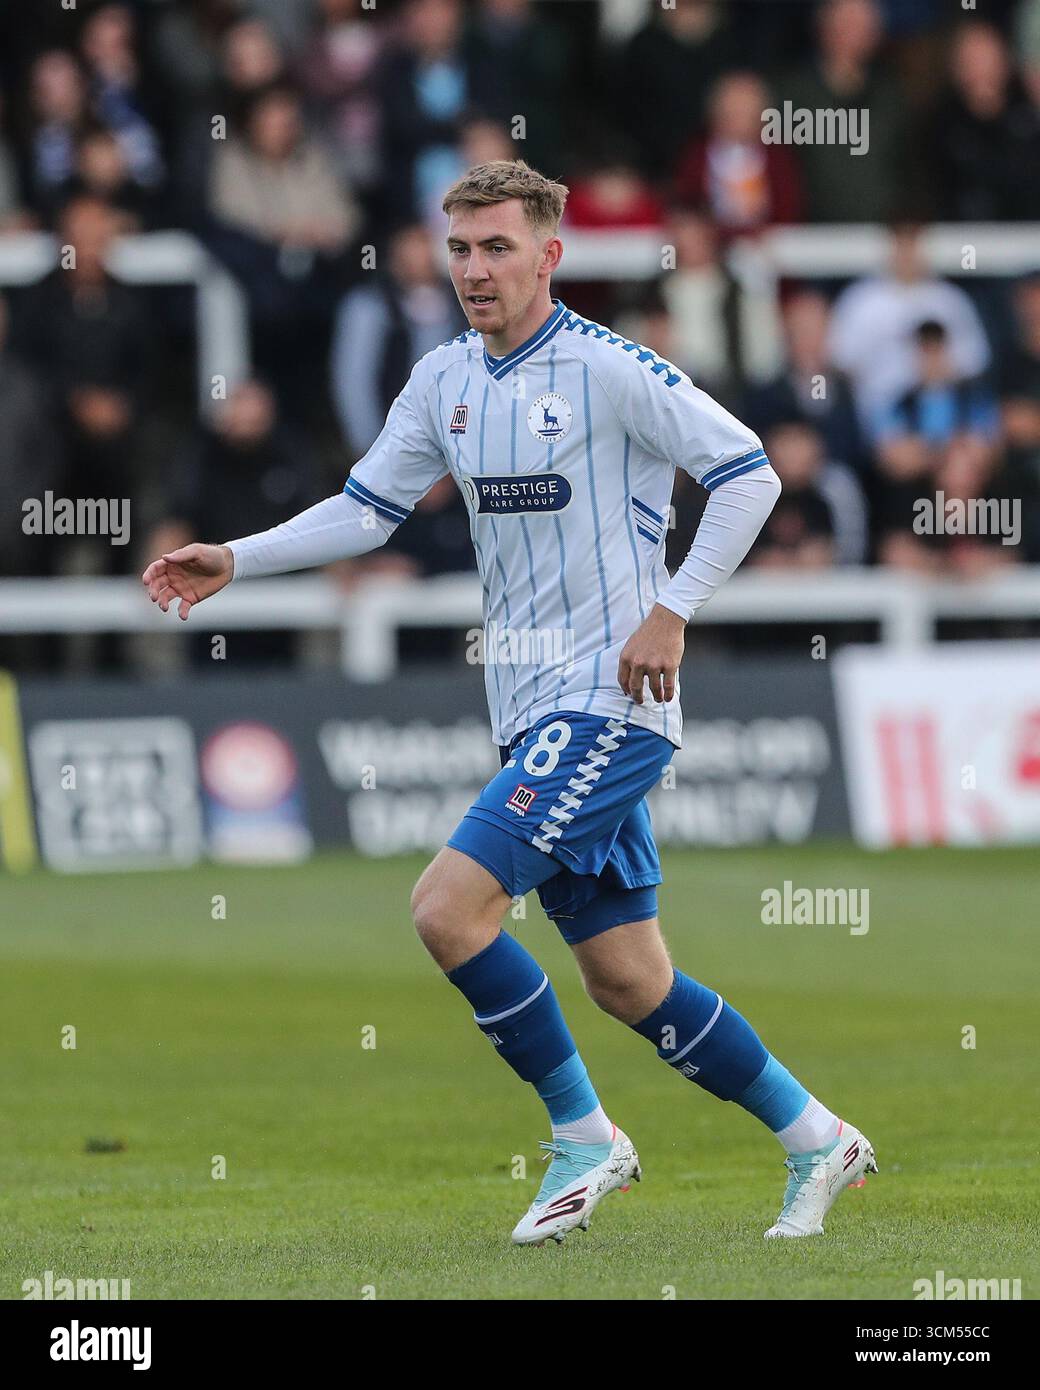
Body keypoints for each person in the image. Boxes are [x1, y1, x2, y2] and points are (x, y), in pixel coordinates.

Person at [142, 160, 877, 1245]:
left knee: (446, 907)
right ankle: (817, 1137)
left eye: (496, 247)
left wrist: (672, 609)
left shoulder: (609, 367)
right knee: (630, 980)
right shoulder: (442, 379)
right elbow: (365, 508)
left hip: (611, 703)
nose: (475, 270)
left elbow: (748, 472)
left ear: (549, 254)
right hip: (529, 707)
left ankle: (585, 1140)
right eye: (460, 249)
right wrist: (236, 560)